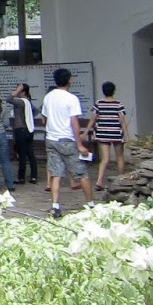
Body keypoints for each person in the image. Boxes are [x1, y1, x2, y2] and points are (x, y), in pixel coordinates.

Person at [42, 67, 93, 216]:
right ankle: (90, 204)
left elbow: (44, 118)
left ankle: (55, 205)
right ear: (69, 80)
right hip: (67, 140)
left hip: (51, 139)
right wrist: (79, 144)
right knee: (81, 173)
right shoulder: (71, 98)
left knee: (56, 173)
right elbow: (74, 123)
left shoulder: (48, 97)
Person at [90, 81, 129, 189]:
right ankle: (121, 180)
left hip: (102, 133)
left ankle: (99, 181)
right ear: (114, 91)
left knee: (105, 159)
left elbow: (94, 118)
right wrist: (127, 135)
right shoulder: (118, 104)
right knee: (120, 157)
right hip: (116, 133)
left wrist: (88, 131)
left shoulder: (98, 103)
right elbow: (122, 120)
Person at [9, 82, 38, 184]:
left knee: (22, 154)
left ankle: (21, 177)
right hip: (29, 129)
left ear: (23, 91)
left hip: (21, 130)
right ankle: (34, 176)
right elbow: (36, 111)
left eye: (18, 89)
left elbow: (9, 99)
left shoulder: (21, 102)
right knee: (30, 153)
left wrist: (16, 91)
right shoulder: (28, 102)